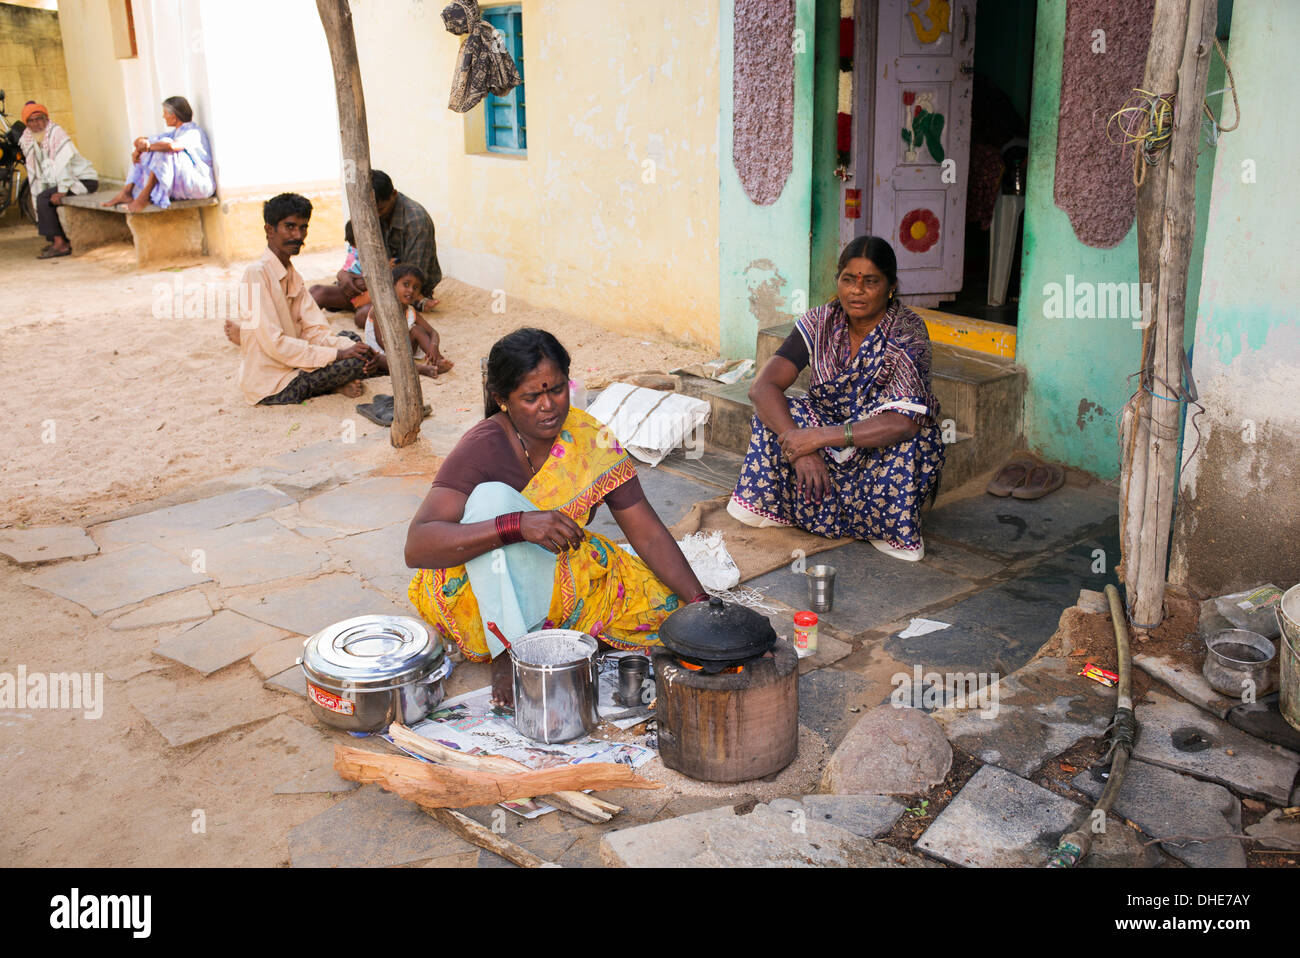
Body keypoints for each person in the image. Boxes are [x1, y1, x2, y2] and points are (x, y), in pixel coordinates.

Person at [405, 328, 707, 705]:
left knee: (668, 608)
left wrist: (700, 603)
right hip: (481, 592)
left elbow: (645, 532)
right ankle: (509, 653)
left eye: (557, 389)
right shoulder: (483, 446)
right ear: (502, 399)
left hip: (559, 572)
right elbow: (417, 547)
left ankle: (556, 633)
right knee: (491, 498)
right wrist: (516, 526)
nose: (549, 406)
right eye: (532, 397)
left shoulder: (588, 436)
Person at [727, 235, 945, 561]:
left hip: (874, 441)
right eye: (848, 280)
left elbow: (903, 423)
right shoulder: (821, 321)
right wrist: (799, 448)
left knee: (910, 442)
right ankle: (778, 507)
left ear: (890, 286)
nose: (857, 291)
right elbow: (763, 387)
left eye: (870, 282)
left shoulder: (907, 332)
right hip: (823, 438)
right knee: (772, 412)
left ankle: (883, 527)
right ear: (838, 281)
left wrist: (815, 437)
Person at [233, 192, 377, 405]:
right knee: (353, 361)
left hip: (298, 362)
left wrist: (347, 349)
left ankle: (341, 381)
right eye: (290, 227)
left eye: (303, 227)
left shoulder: (292, 274)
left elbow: (315, 330)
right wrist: (338, 355)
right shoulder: (256, 275)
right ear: (269, 230)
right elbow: (276, 345)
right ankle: (340, 382)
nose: (298, 235)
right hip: (274, 383)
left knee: (352, 341)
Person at [310, 169, 441, 323]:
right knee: (316, 293)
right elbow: (356, 258)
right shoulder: (368, 210)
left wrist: (374, 279)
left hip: (403, 288)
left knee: (363, 315)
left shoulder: (416, 222)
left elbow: (412, 277)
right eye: (371, 211)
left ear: (394, 195)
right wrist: (345, 275)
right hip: (371, 284)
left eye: (380, 210)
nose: (375, 216)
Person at [101, 96, 214, 213]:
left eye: (165, 113)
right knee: (156, 146)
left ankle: (145, 196)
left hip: (199, 185)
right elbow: (143, 140)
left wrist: (148, 147)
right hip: (184, 185)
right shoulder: (175, 132)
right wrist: (139, 148)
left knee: (163, 146)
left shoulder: (193, 132)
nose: (163, 116)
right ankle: (127, 191)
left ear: (174, 116)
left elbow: (172, 146)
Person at [17, 102, 98, 259]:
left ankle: (60, 244)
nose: (36, 124)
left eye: (39, 119)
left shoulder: (55, 133)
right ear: (27, 124)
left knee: (44, 198)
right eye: (31, 121)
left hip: (83, 180)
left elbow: (63, 165)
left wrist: (62, 191)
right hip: (65, 181)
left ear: (46, 119)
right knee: (44, 197)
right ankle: (59, 241)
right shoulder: (29, 138)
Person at [363, 264, 454, 378]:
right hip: (384, 353)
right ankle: (421, 369)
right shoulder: (379, 310)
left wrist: (433, 347)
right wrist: (401, 356)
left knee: (417, 330)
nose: (411, 290)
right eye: (406, 284)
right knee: (377, 359)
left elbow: (433, 333)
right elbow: (382, 343)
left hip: (403, 351)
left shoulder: (411, 311)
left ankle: (438, 361)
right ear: (393, 285)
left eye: (416, 287)